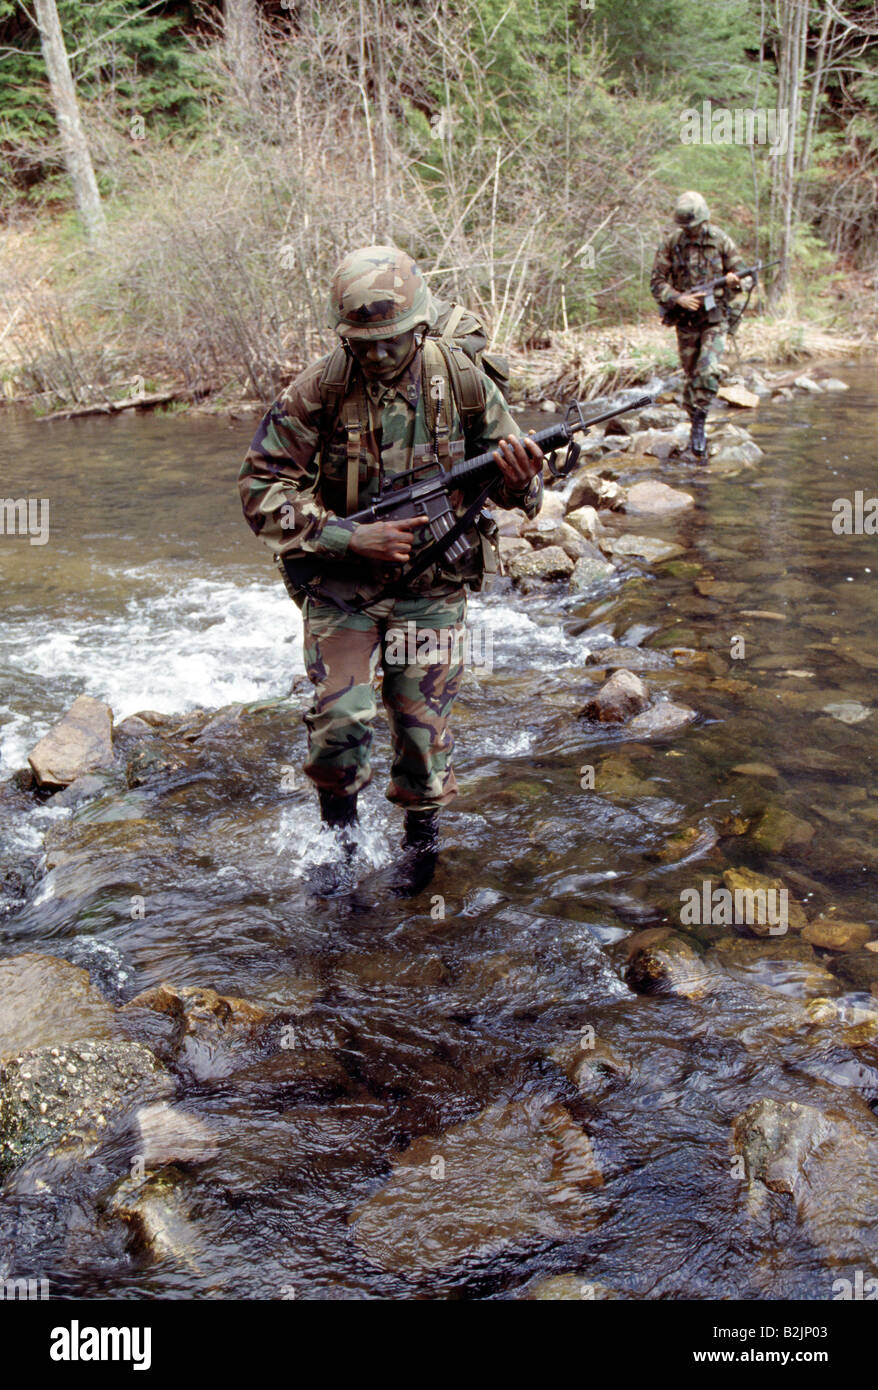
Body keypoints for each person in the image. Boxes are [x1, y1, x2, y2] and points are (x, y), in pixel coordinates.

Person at [238, 244, 544, 893]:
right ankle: (342, 855)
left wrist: (521, 484)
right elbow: (260, 489)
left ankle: (420, 862)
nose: (378, 355)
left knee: (420, 733)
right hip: (342, 583)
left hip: (433, 583)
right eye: (363, 342)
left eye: (393, 341)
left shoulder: (463, 380)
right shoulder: (320, 387)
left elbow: (522, 491)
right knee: (340, 726)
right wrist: (350, 536)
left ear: (422, 326)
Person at [650, 191, 746, 459]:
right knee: (692, 375)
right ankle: (694, 419)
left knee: (708, 370)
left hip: (715, 318)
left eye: (695, 226)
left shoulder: (720, 240)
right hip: (687, 320)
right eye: (687, 228)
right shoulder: (671, 243)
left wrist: (734, 281)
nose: (692, 232)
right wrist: (678, 299)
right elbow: (656, 282)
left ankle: (699, 427)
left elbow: (744, 277)